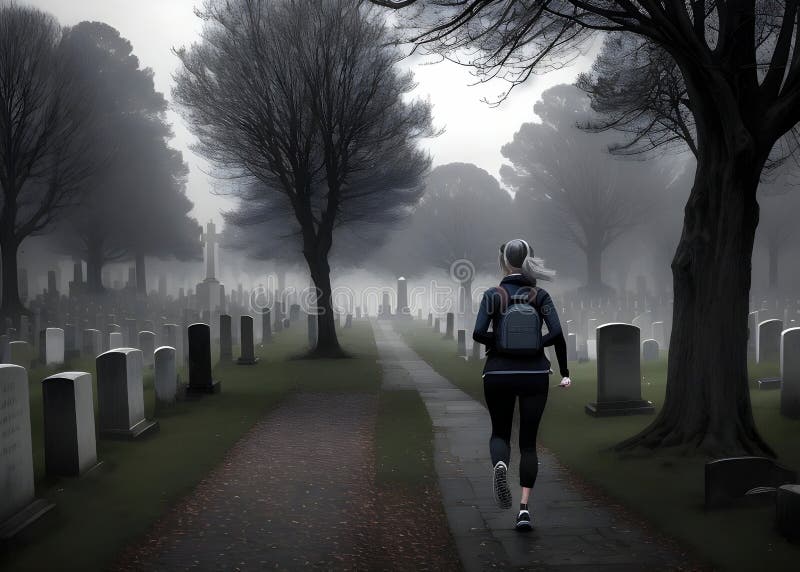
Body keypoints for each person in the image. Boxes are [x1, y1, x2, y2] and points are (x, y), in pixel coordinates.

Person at [472, 238, 571, 532]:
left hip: (498, 373)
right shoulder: (539, 296)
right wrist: (561, 369)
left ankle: (500, 465)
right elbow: (557, 334)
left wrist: (501, 342)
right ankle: (524, 510)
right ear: (529, 260)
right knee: (528, 443)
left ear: (504, 262)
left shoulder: (493, 294)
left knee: (500, 433)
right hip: (534, 375)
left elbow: (478, 333)